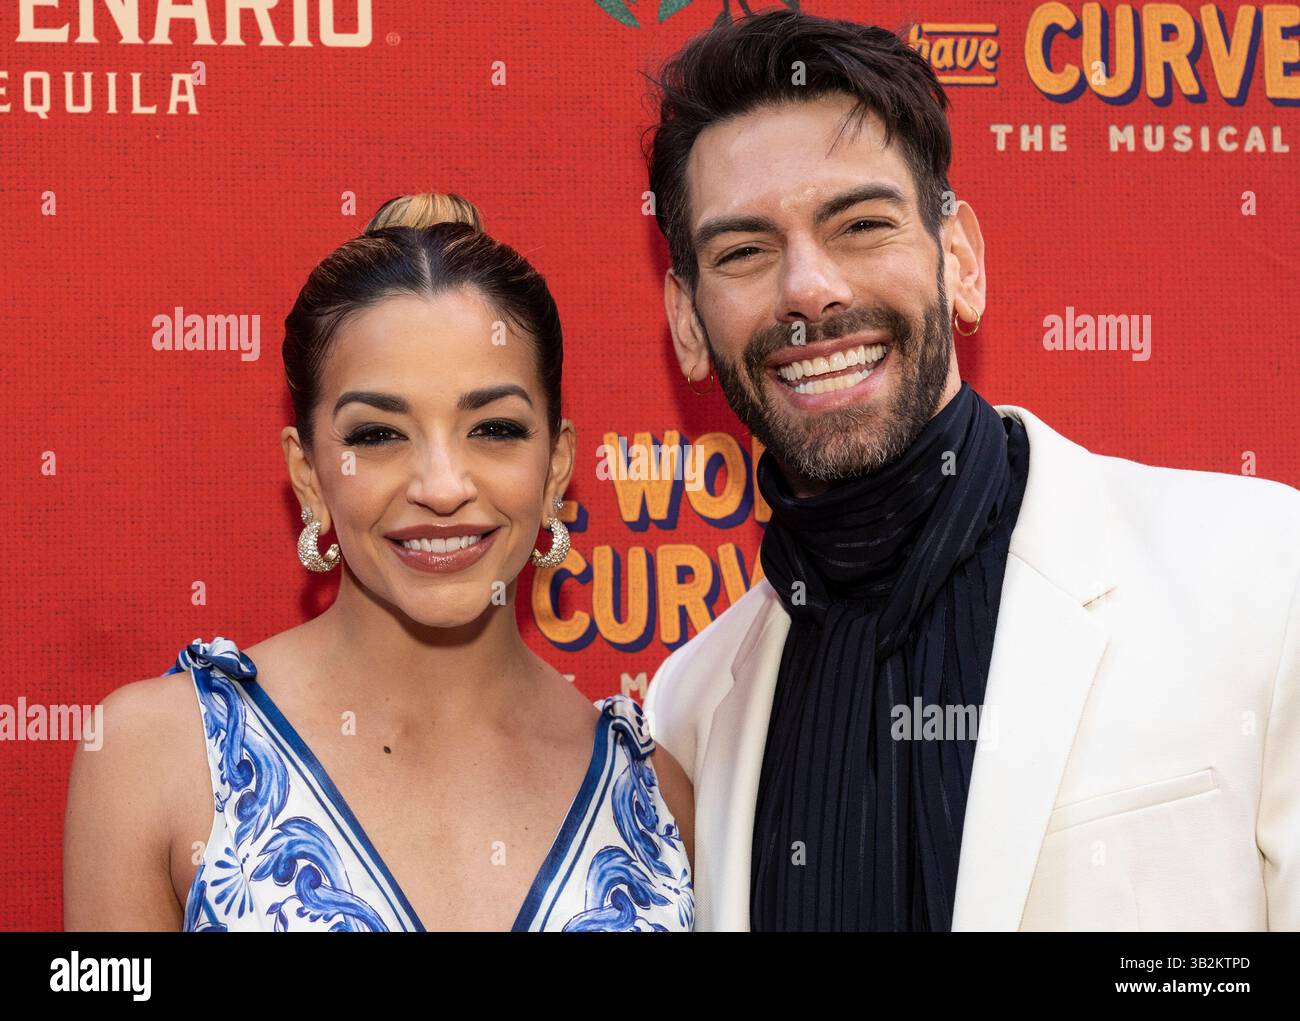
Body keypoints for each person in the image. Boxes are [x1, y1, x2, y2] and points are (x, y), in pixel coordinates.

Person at [641, 10, 1300, 931]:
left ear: (960, 260)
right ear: (687, 323)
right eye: (744, 251)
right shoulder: (690, 711)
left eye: (861, 224)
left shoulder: (1260, 576)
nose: (809, 290)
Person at [63, 193, 694, 932]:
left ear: (557, 465)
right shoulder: (156, 756)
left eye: (493, 428)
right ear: (309, 474)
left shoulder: (656, 797)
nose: (441, 487)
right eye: (379, 434)